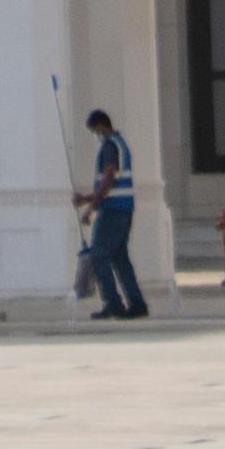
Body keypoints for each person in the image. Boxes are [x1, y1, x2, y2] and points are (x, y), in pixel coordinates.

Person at [75, 106, 148, 317]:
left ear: (100, 125)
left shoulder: (109, 146)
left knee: (98, 256)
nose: (95, 135)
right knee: (120, 258)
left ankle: (113, 303)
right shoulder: (121, 143)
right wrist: (87, 199)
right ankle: (137, 303)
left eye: (94, 130)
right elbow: (111, 183)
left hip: (113, 211)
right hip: (124, 209)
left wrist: (90, 206)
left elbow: (108, 179)